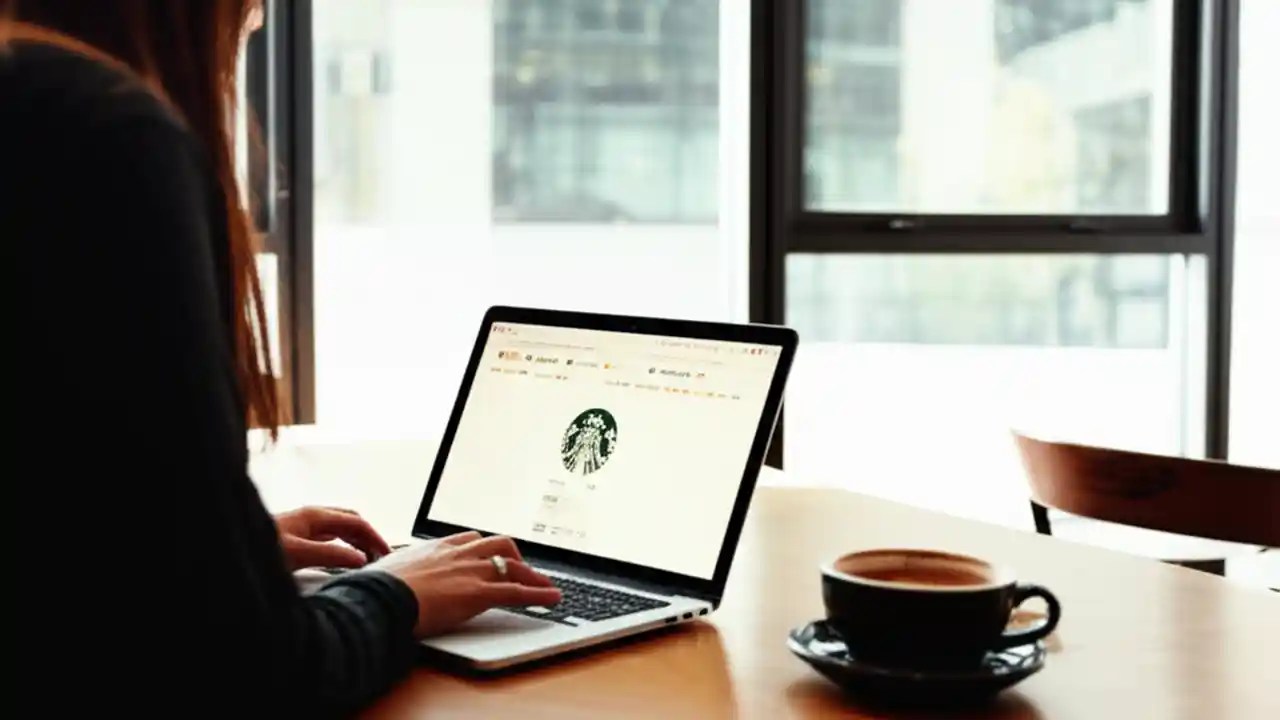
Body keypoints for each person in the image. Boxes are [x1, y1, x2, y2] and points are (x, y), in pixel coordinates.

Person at [3, 1, 560, 713]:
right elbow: (251, 674)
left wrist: (228, 549)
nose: (260, 14)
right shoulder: (98, 132)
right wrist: (394, 593)